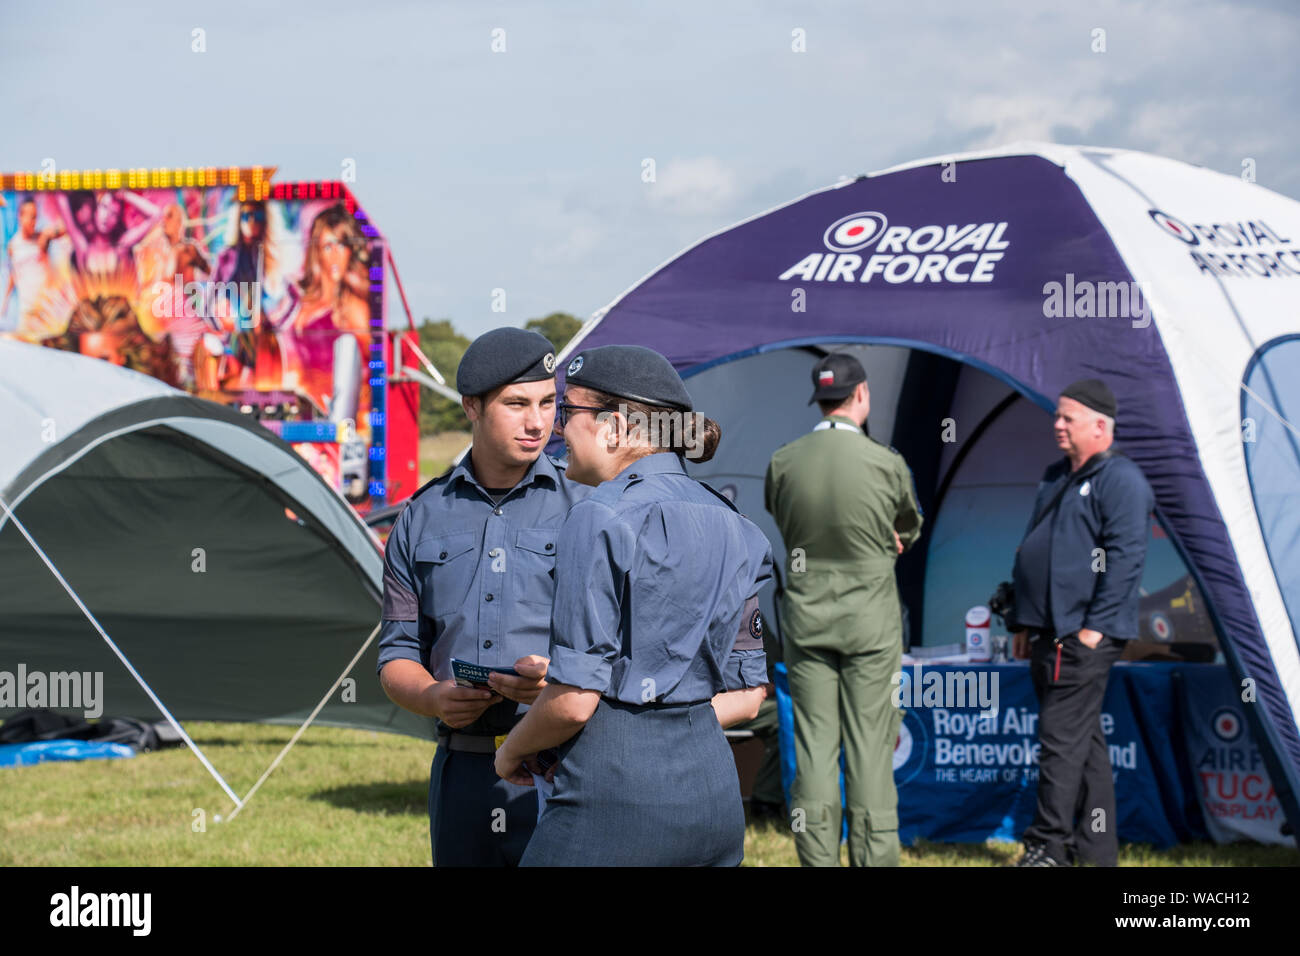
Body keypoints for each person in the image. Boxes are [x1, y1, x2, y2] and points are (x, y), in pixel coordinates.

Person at [493, 344, 773, 866]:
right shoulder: (739, 525)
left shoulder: (598, 516)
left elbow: (576, 699)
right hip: (713, 797)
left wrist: (512, 749)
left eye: (568, 411)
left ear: (614, 427)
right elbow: (750, 692)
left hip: (614, 799)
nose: (556, 430)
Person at [376, 326, 587, 866]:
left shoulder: (588, 509)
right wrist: (430, 698)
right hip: (462, 773)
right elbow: (397, 651)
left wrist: (553, 681)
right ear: (471, 406)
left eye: (547, 403)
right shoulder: (419, 516)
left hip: (564, 766)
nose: (538, 422)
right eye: (517, 404)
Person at [764, 352, 923, 867]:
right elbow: (908, 528)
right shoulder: (886, 462)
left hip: (807, 624)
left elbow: (783, 519)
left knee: (813, 748)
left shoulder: (785, 460)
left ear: (821, 399)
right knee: (871, 752)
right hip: (871, 629)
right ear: (861, 395)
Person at [1011, 378, 1154, 867]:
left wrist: (1093, 629)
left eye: (1067, 418)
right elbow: (1038, 548)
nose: (1057, 425)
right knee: (1082, 743)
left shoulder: (1122, 480)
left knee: (1058, 740)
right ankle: (1096, 854)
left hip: (1081, 637)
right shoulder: (1057, 476)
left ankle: (1047, 846)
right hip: (1047, 630)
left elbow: (1126, 558)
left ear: (1100, 426)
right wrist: (1023, 622)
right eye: (1057, 416)